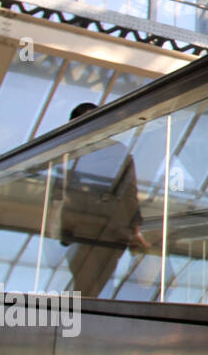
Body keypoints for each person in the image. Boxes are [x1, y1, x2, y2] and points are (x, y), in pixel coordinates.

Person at [53, 103, 148, 298]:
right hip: (82, 227)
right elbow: (57, 193)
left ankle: (89, 315)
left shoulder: (117, 152)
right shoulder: (67, 155)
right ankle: (87, 314)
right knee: (87, 280)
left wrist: (135, 231)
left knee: (97, 280)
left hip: (109, 228)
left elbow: (130, 191)